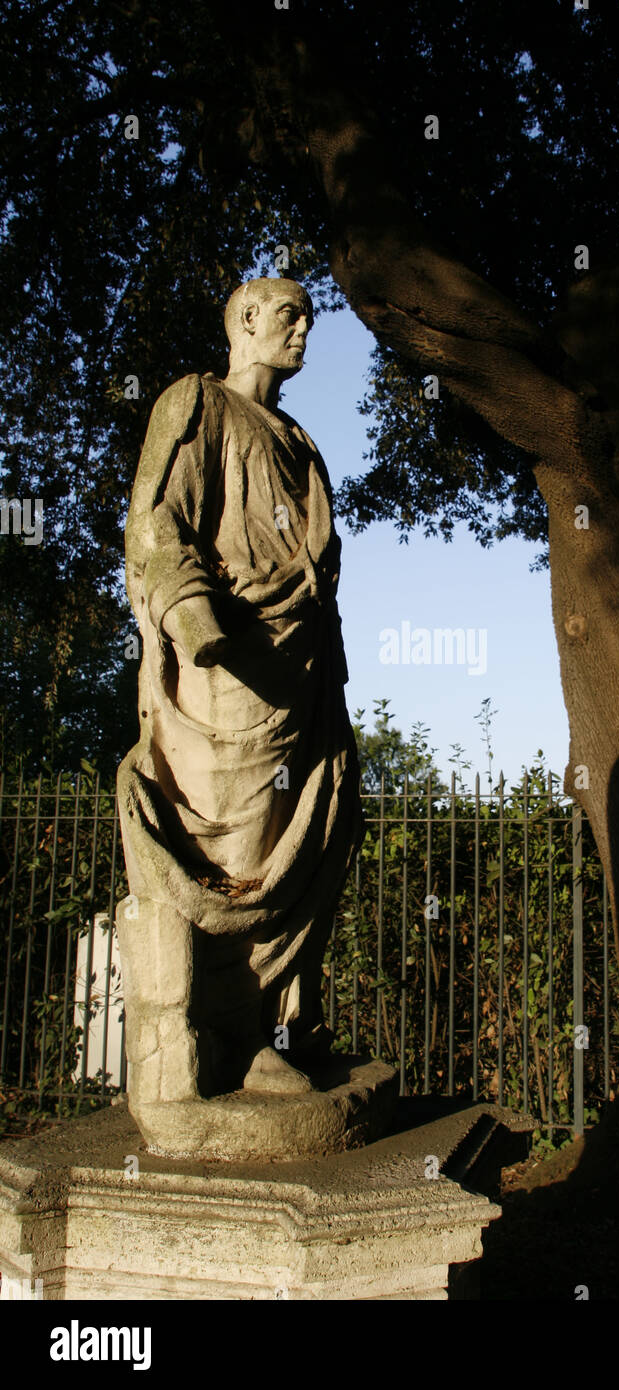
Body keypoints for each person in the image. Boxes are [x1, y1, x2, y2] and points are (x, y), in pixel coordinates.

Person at [117, 277, 363, 1115]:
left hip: (301, 671)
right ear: (244, 321)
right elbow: (156, 521)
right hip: (227, 669)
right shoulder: (198, 403)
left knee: (314, 839)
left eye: (307, 319)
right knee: (237, 857)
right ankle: (229, 1039)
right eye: (289, 316)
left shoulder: (298, 438)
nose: (303, 331)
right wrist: (188, 613)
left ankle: (280, 1028)